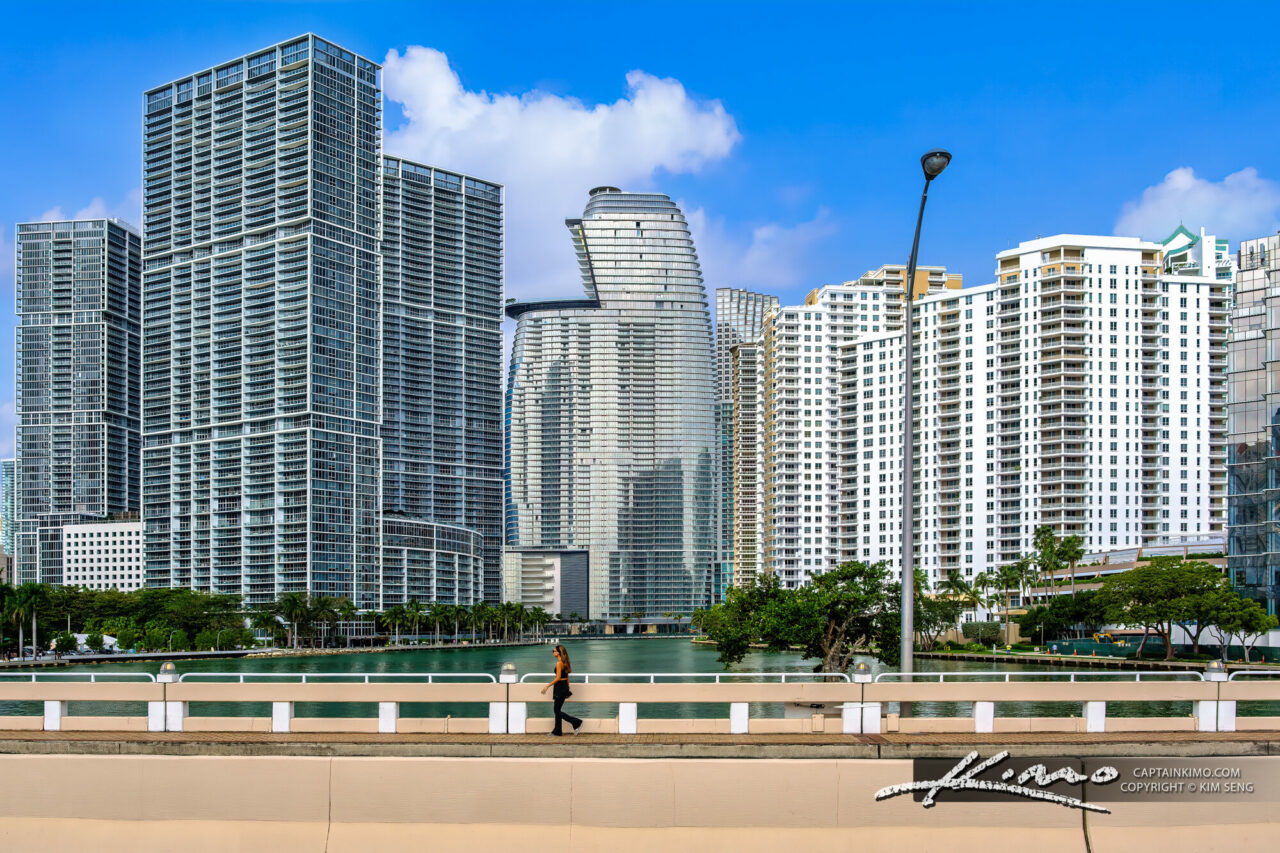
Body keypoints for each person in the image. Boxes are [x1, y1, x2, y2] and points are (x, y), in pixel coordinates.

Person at [541, 644, 582, 736]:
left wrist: (547, 686)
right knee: (557, 709)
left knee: (556, 710)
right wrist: (567, 687)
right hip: (563, 687)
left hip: (560, 687)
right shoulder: (564, 662)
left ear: (558, 653)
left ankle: (576, 722)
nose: (553, 652)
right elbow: (566, 676)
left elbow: (558, 677)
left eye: (554, 650)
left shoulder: (559, 663)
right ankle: (558, 731)